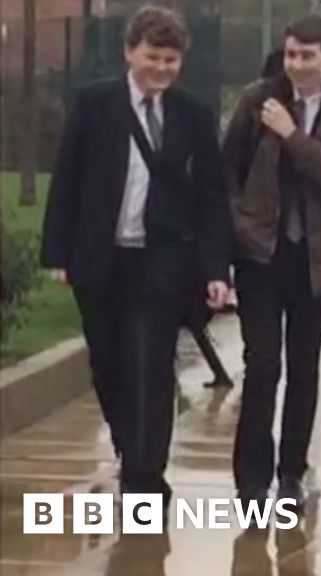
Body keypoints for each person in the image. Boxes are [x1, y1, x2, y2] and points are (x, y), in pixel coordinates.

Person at [40, 6, 230, 501]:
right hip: (100, 257)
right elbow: (68, 176)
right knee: (108, 366)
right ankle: (132, 449)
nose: (161, 68)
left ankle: (146, 477)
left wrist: (215, 267)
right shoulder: (94, 104)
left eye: (171, 59)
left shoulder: (193, 114)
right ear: (130, 52)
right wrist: (58, 251)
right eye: (153, 57)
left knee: (151, 367)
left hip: (161, 261)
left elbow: (212, 196)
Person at [222, 14, 321, 509]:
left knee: (303, 367)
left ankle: (292, 470)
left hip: (316, 260)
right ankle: (251, 478)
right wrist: (239, 223)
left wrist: (292, 135)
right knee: (262, 363)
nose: (297, 64)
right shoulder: (257, 102)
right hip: (261, 256)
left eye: (308, 55)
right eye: (291, 54)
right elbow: (228, 169)